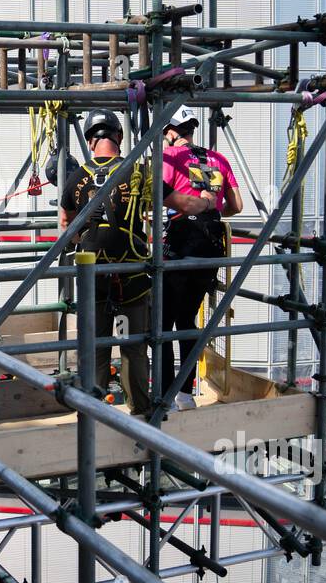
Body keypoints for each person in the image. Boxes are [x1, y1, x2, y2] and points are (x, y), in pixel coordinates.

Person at [59, 109, 213, 417]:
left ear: (90, 142)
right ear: (118, 136)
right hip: (130, 277)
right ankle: (140, 413)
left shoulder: (76, 178)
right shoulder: (140, 172)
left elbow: (65, 225)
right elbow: (184, 203)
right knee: (132, 345)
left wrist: (86, 242)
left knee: (97, 345)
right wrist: (208, 201)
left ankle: (92, 412)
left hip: (94, 277)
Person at [159, 106, 242, 406]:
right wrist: (210, 208)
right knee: (187, 320)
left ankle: (165, 395)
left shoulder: (169, 158)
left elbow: (155, 198)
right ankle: (185, 393)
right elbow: (236, 205)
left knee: (163, 323)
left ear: (170, 131)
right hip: (211, 243)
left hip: (181, 241)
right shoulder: (218, 159)